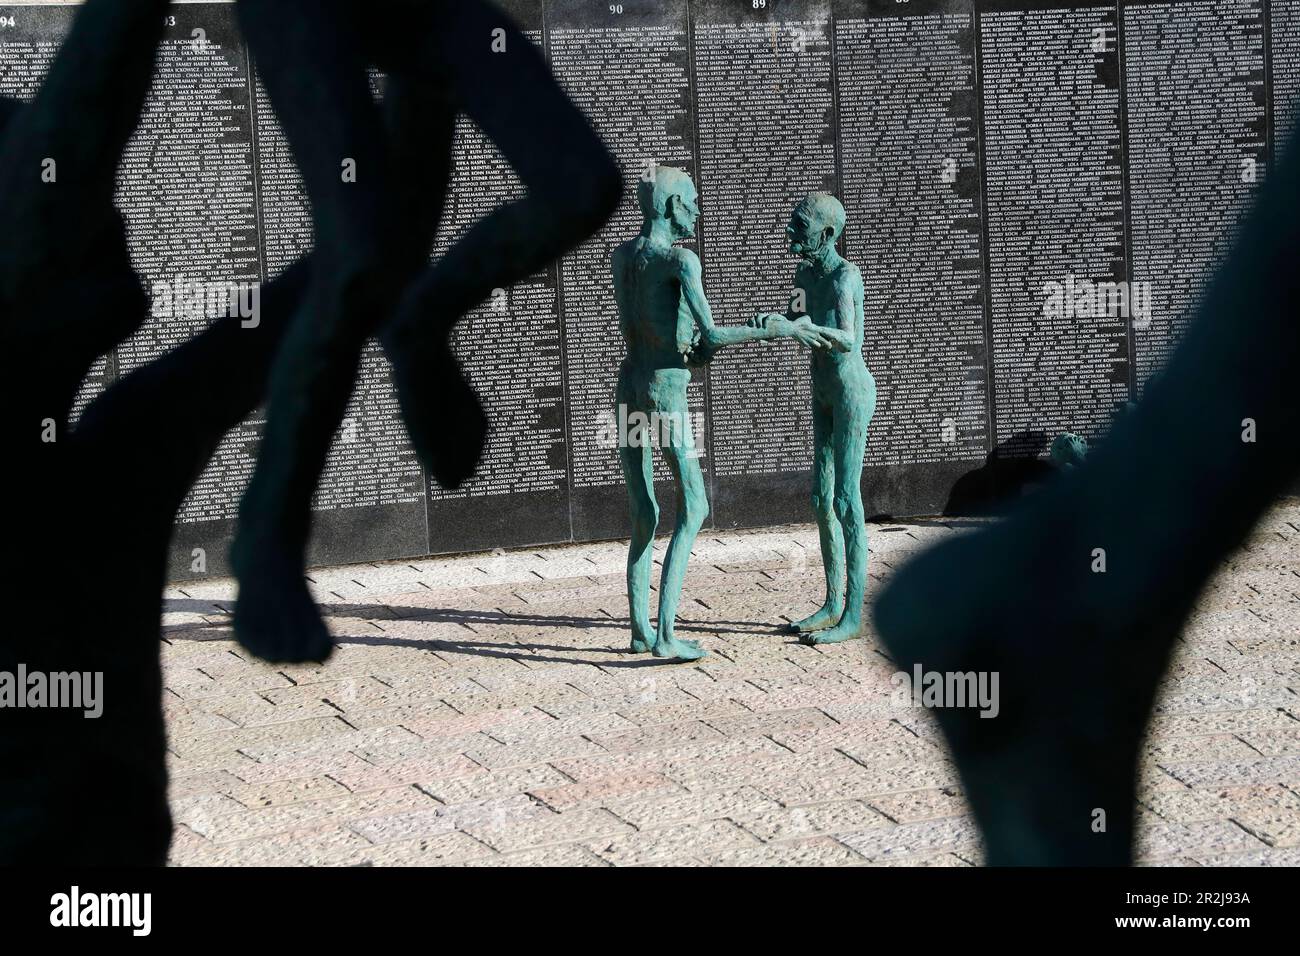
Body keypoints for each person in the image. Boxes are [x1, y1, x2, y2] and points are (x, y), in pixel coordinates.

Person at [613, 167, 833, 661]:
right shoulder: (681, 259)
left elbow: (660, 327)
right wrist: (777, 329)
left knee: (644, 512)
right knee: (694, 506)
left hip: (628, 386)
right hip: (665, 392)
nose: (696, 211)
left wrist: (689, 344)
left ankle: (639, 629)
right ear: (671, 207)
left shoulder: (622, 255)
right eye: (690, 203)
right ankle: (666, 637)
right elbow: (710, 336)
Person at [751, 193, 877, 645]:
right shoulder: (804, 274)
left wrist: (803, 329)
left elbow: (847, 338)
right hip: (823, 392)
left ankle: (853, 614)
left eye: (798, 226)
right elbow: (795, 314)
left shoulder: (846, 278)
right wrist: (773, 322)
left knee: (846, 497)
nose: (789, 233)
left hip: (850, 393)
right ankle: (830, 601)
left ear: (826, 234)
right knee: (821, 497)